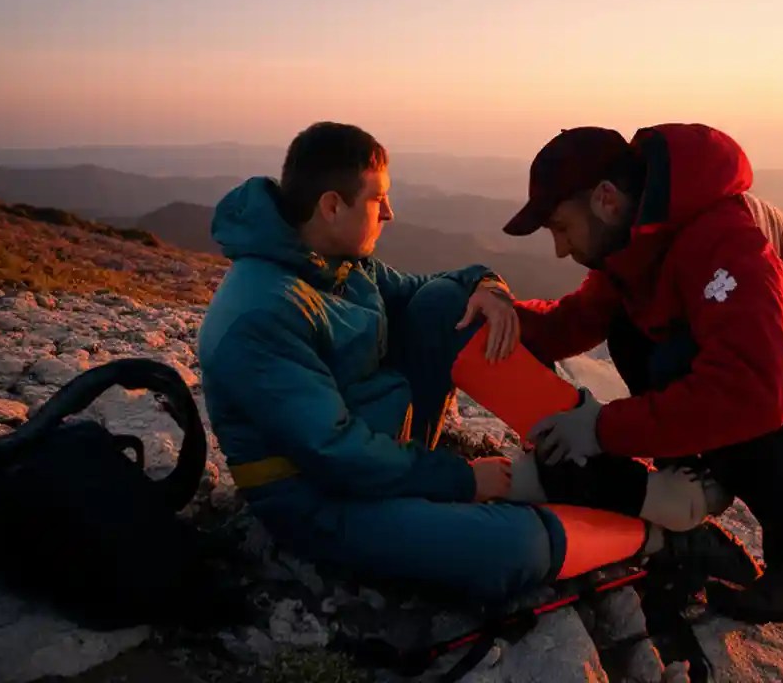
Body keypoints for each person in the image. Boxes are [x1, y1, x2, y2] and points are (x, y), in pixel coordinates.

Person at [196, 122, 730, 605]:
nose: (389, 212)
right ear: (333, 206)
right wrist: (461, 480)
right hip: (320, 496)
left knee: (449, 307)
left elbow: (433, 291)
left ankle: (595, 468)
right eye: (378, 198)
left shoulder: (335, 263)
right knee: (514, 548)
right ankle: (661, 538)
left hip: (384, 446)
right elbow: (334, 455)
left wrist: (488, 286)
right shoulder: (261, 317)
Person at [500, 124, 783, 623]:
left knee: (691, 364)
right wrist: (492, 304)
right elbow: (570, 324)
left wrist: (600, 428)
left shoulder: (726, 238)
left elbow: (751, 392)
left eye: (561, 227)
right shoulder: (642, 239)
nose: (560, 249)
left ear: (606, 199)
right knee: (636, 333)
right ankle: (679, 503)